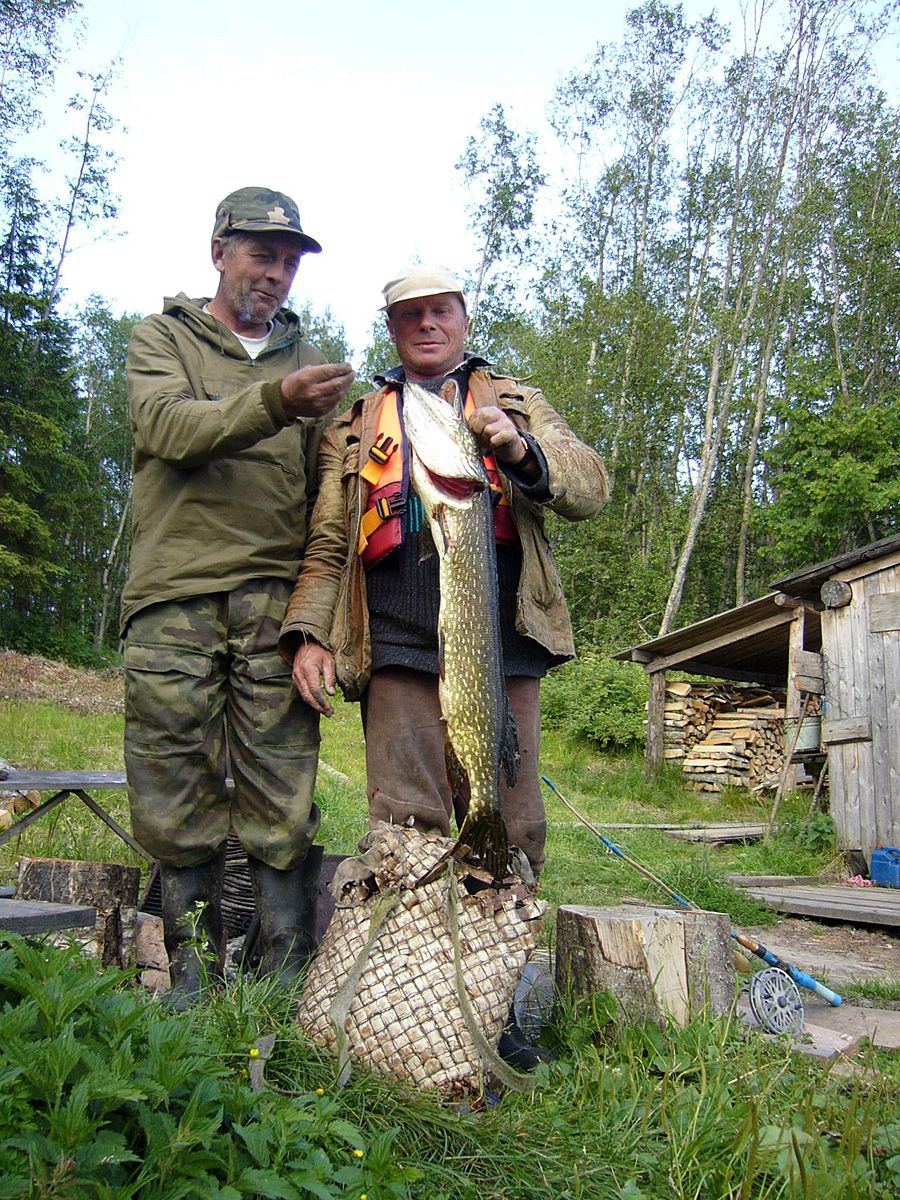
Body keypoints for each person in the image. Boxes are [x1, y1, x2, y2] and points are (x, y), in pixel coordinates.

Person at [279, 264, 608, 880]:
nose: (427, 324)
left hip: (501, 643)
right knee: (406, 830)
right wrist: (308, 633)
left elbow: (590, 487)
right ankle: (413, 967)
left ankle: (491, 962)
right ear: (392, 327)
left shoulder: (516, 402)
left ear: (465, 318)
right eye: (411, 314)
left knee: (514, 825)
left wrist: (518, 449)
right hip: (397, 642)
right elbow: (327, 544)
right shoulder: (354, 424)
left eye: (441, 311)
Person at [121, 186, 354, 1007]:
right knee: (173, 800)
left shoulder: (310, 366)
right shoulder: (163, 339)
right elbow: (168, 430)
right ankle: (182, 998)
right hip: (172, 600)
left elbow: (334, 505)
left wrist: (317, 622)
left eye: (289, 261)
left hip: (275, 608)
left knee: (283, 809)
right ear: (219, 250)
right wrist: (273, 402)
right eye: (262, 253)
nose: (276, 273)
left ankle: (274, 1002)